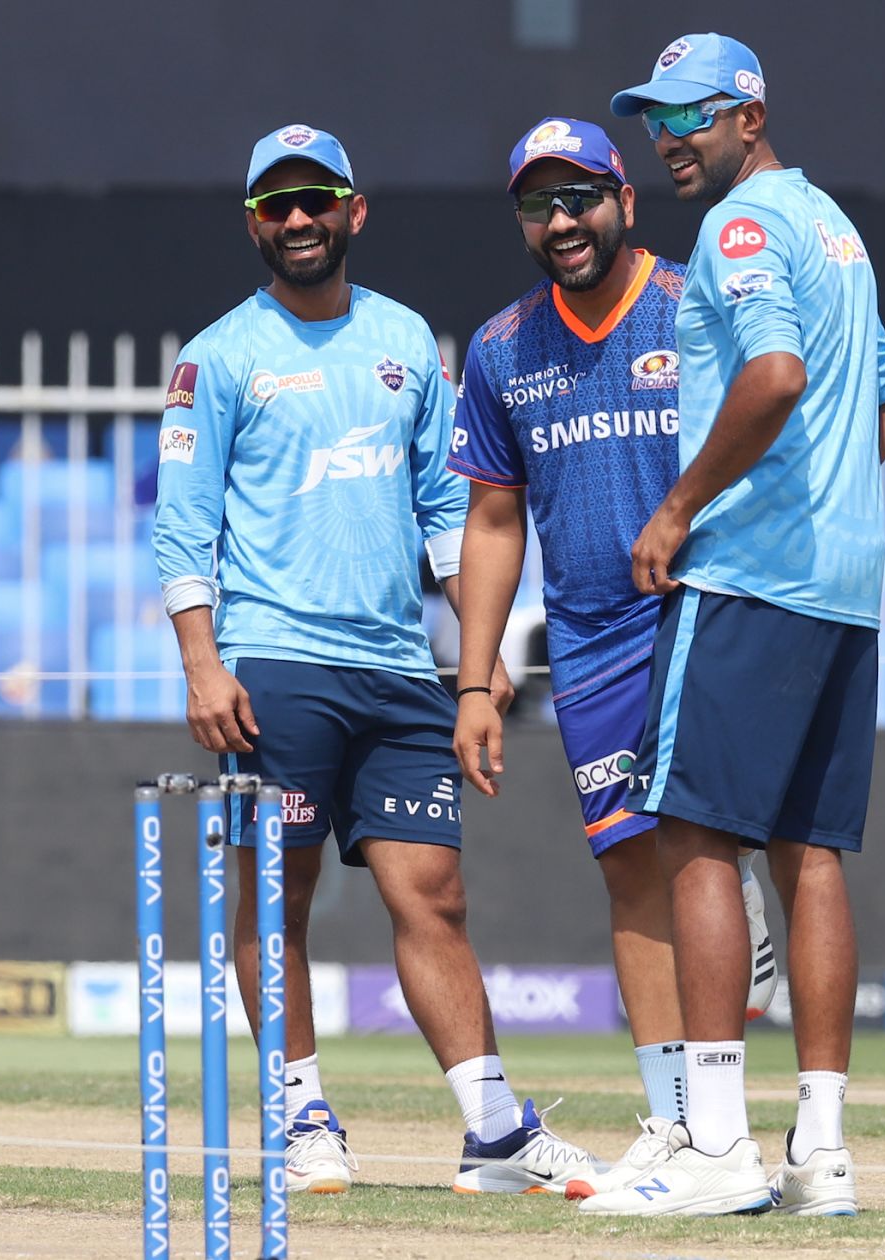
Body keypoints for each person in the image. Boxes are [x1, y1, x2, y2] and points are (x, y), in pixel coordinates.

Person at [152, 123, 604, 1196]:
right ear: (254, 222)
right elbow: (183, 522)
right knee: (279, 901)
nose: (298, 220)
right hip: (277, 664)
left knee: (435, 896)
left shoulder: (407, 340)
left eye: (317, 200)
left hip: (401, 670)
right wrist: (202, 663)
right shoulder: (216, 357)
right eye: (277, 205)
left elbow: (452, 513)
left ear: (356, 210)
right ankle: (305, 1116)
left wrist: (478, 672)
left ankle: (493, 1132)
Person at [575, 36, 885, 1218]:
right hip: (843, 584)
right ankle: (820, 1151)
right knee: (808, 854)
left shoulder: (743, 227)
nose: (670, 137)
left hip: (752, 579)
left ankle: (714, 1145)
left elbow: (770, 378)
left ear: (749, 115)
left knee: (693, 838)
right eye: (657, 118)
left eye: (691, 117)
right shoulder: (838, 230)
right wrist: (821, 497)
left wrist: (681, 510)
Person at [448, 116, 778, 1197]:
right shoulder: (501, 348)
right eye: (540, 205)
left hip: (694, 622)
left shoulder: (694, 308)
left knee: (688, 859)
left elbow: (786, 425)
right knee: (629, 875)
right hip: (584, 642)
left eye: (580, 197)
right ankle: (677, 1124)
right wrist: (477, 678)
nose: (562, 222)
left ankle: (726, 1130)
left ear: (625, 200)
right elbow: (494, 524)